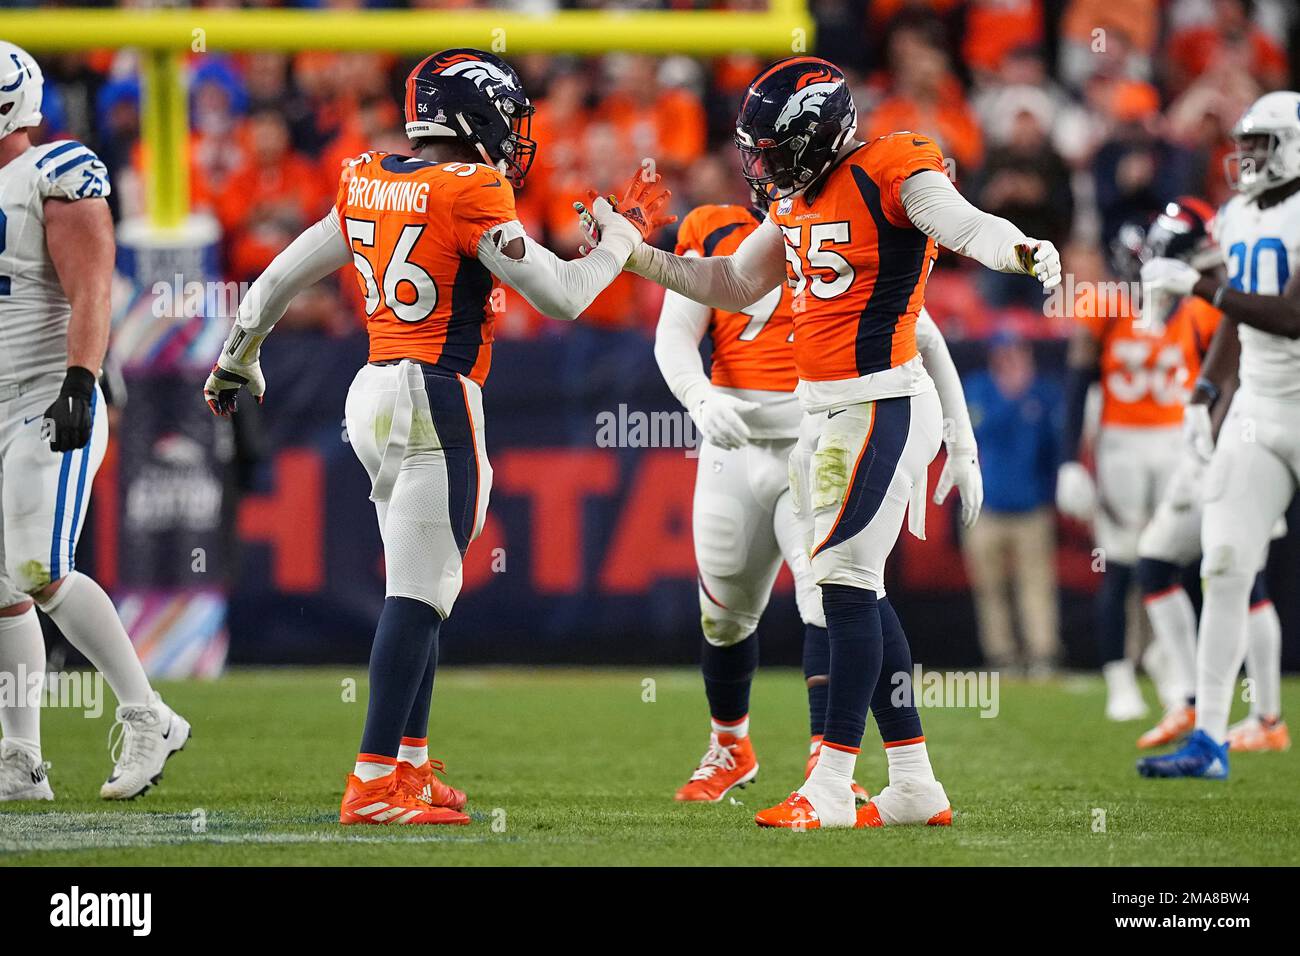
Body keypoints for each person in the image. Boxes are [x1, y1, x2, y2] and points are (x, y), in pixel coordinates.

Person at [589, 55, 1059, 829]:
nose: (761, 164)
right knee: (858, 591)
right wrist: (631, 253)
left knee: (840, 585)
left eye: (772, 147)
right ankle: (914, 783)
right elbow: (731, 285)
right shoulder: (796, 202)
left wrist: (1018, 248)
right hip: (828, 415)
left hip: (880, 404)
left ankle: (832, 786)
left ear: (816, 135)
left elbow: (965, 223)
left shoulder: (891, 169)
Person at [203, 48, 664, 824]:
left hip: (372, 391)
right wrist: (623, 238)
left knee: (422, 584)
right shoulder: (469, 187)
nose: (517, 141)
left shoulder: (366, 176)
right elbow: (562, 298)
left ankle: (407, 766)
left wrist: (235, 359)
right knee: (421, 594)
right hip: (435, 394)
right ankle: (375, 780)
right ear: (473, 119)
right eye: (508, 122)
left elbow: (280, 275)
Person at [658, 204, 980, 804]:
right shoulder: (714, 226)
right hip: (734, 443)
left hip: (818, 438)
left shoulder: (845, 220)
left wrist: (962, 439)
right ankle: (730, 745)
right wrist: (699, 398)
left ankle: (825, 757)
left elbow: (925, 335)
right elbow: (675, 329)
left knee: (828, 597)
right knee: (723, 612)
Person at [0, 42, 190, 803]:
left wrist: (81, 378)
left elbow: (93, 288)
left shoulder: (53, 171)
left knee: (38, 570)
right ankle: (22, 761)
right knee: (3, 591)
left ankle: (148, 714)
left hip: (48, 396)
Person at [1138, 91, 1300, 778]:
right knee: (1224, 562)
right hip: (1261, 408)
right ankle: (1208, 741)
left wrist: (1202, 290)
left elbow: (1291, 317)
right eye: (1247, 143)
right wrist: (1207, 393)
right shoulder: (1234, 216)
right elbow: (1239, 319)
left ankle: (1255, 721)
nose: (1249, 157)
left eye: (1262, 144)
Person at [960, 331, 1061, 675]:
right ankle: (1001, 656)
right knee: (990, 589)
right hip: (986, 508)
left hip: (1031, 508)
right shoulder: (978, 389)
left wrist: (1049, 495)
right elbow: (978, 433)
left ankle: (1042, 655)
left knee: (1036, 585)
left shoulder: (1043, 393)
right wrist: (1011, 396)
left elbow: (1054, 448)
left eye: (1016, 353)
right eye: (1004, 354)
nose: (1010, 361)